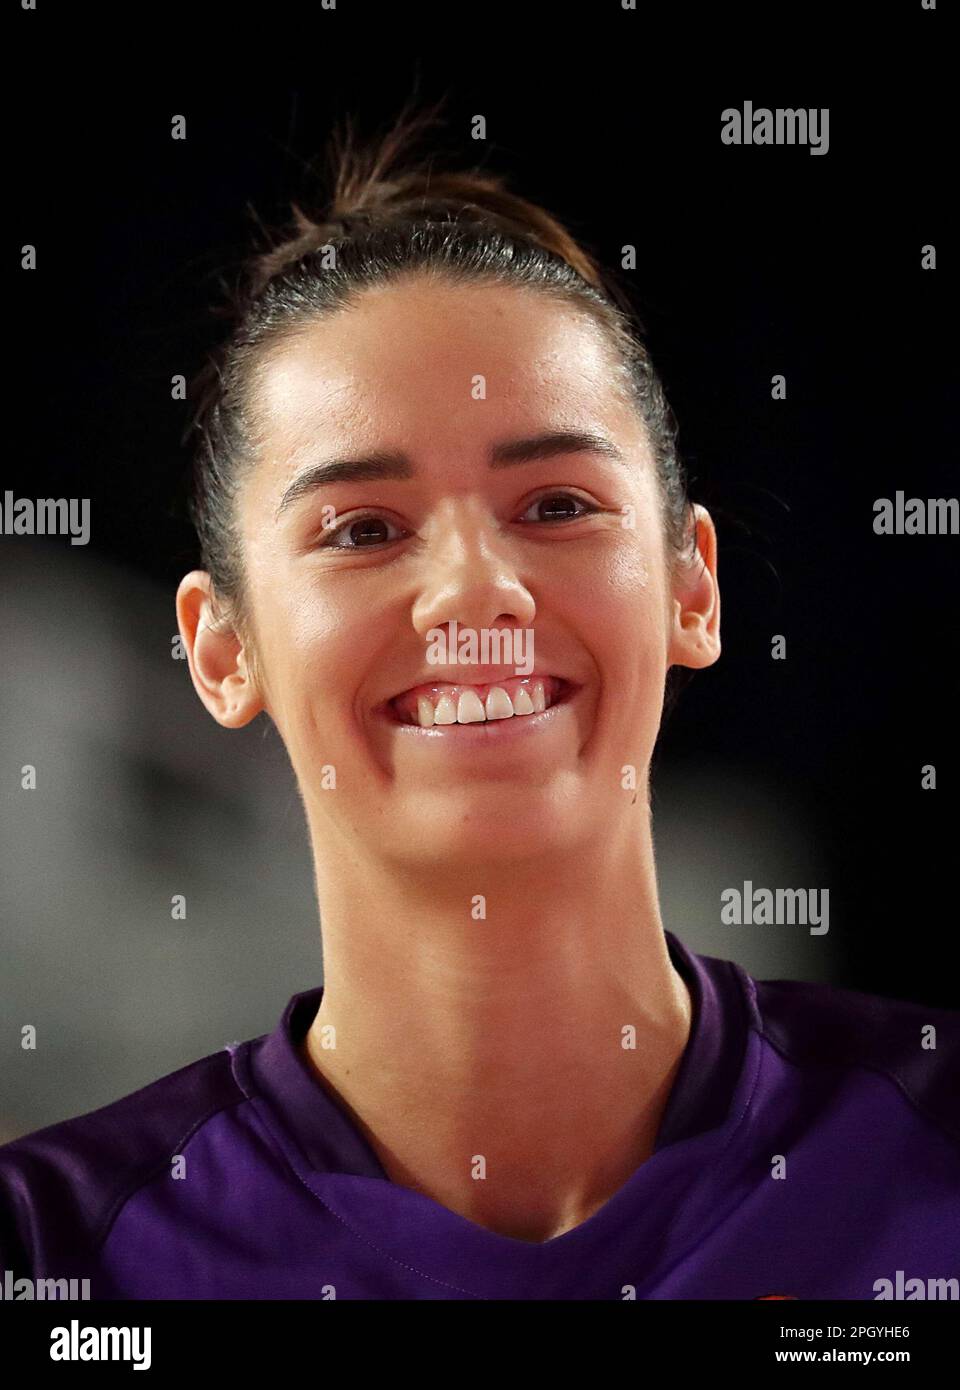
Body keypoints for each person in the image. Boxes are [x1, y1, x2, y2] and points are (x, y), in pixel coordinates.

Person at [1, 104, 957, 1301]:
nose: (474, 589)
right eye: (362, 528)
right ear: (221, 651)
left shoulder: (935, 1153)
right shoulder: (52, 1258)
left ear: (691, 589)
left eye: (557, 504)